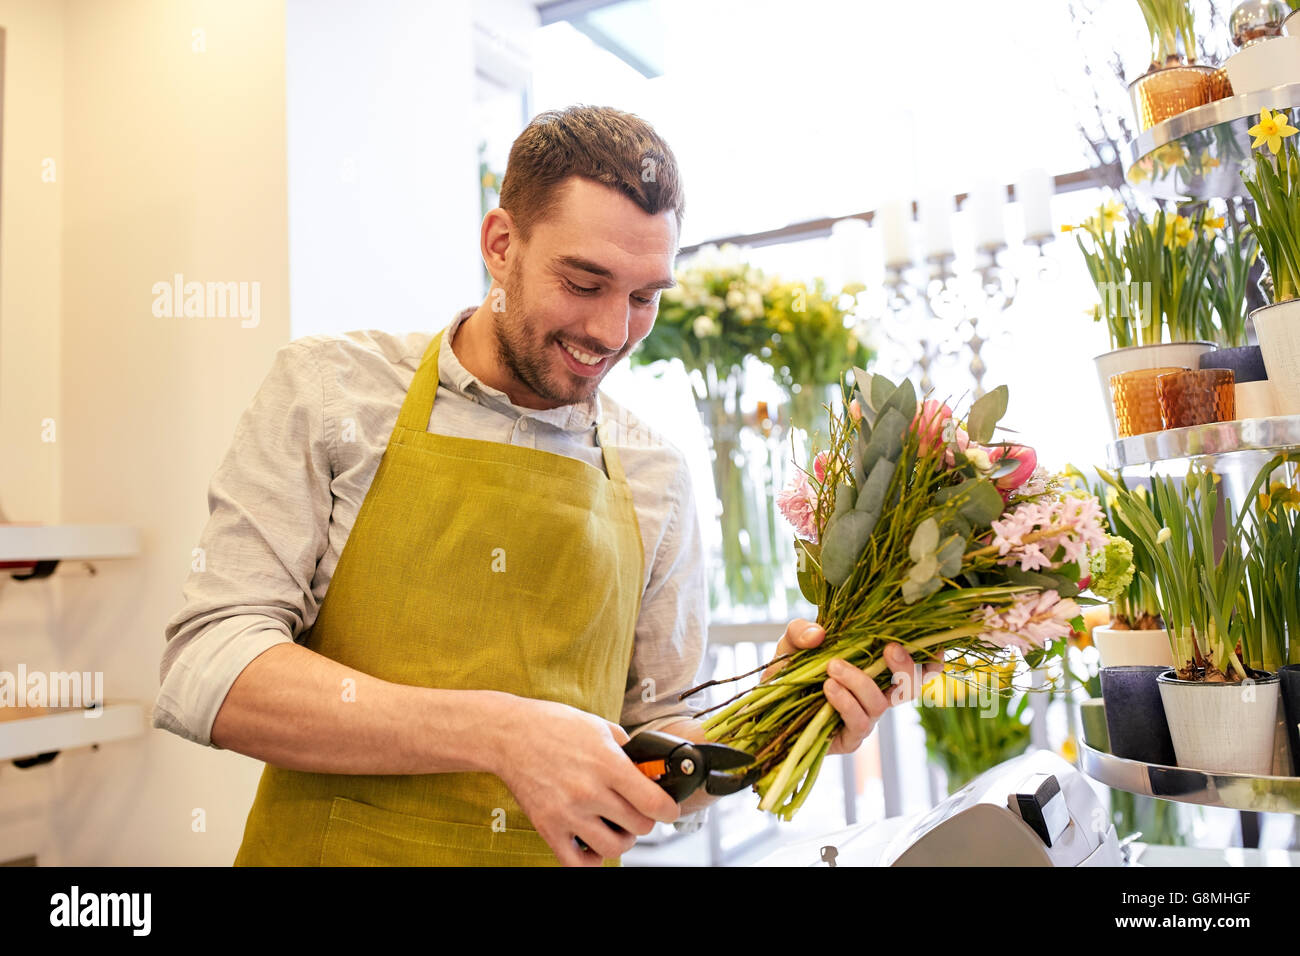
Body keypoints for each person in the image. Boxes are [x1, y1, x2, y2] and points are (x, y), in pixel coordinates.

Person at [154, 104, 936, 867]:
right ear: (501, 244)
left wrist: (786, 719)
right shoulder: (333, 391)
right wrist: (499, 733)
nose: (608, 331)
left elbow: (657, 744)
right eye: (583, 281)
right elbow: (212, 667)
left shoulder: (656, 472)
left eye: (643, 297)